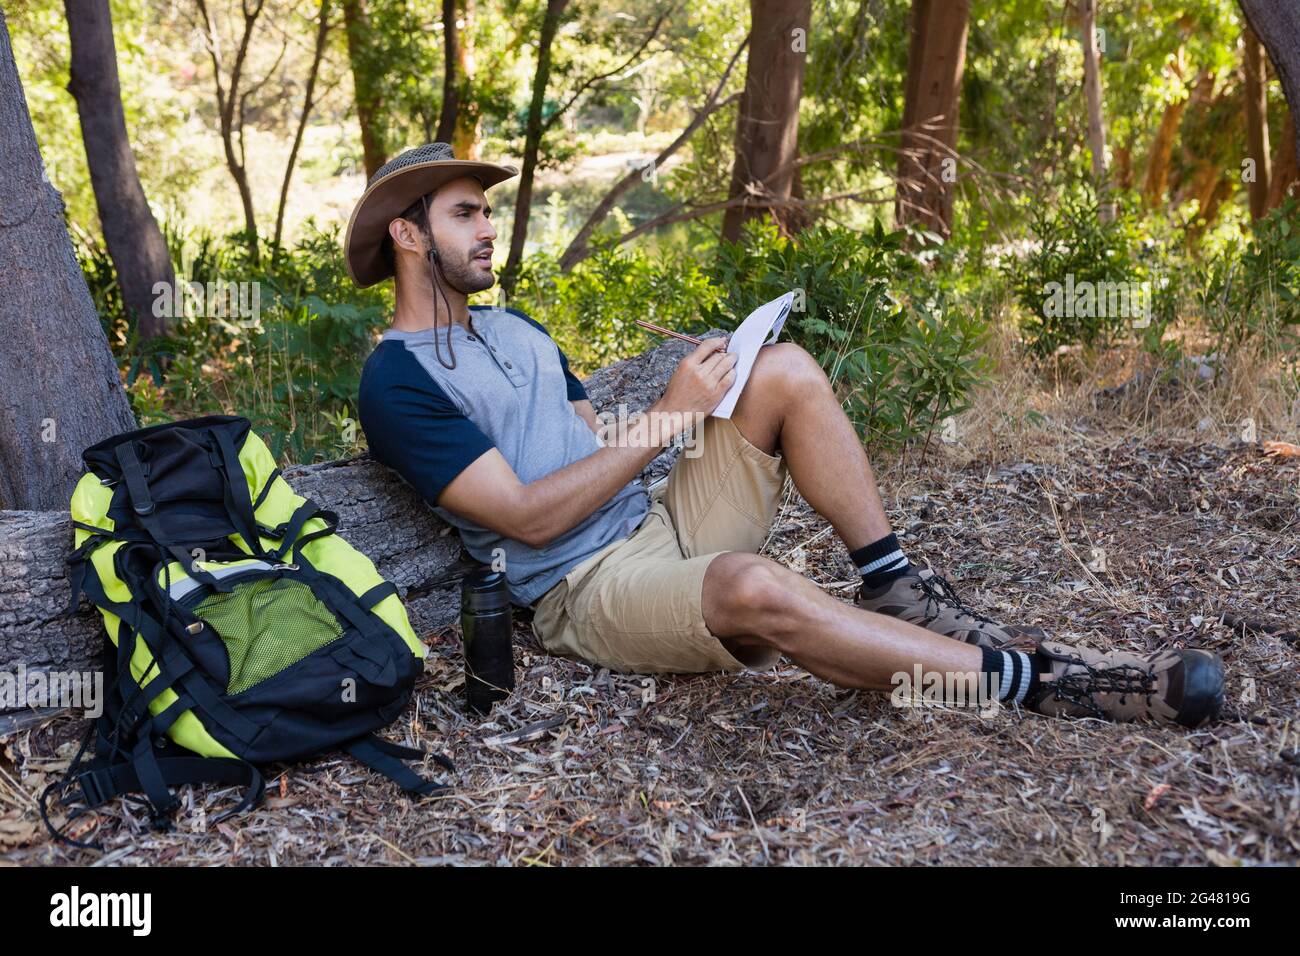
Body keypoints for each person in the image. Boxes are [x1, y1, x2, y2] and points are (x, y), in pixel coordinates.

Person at [349, 143, 1225, 727]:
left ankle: (891, 585)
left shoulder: (516, 329)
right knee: (752, 586)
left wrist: (706, 391)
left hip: (655, 522)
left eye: (486, 212)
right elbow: (529, 520)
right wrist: (671, 416)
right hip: (581, 592)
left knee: (785, 369)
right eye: (466, 213)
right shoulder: (395, 380)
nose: (491, 226)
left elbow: (592, 442)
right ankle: (1047, 684)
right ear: (406, 233)